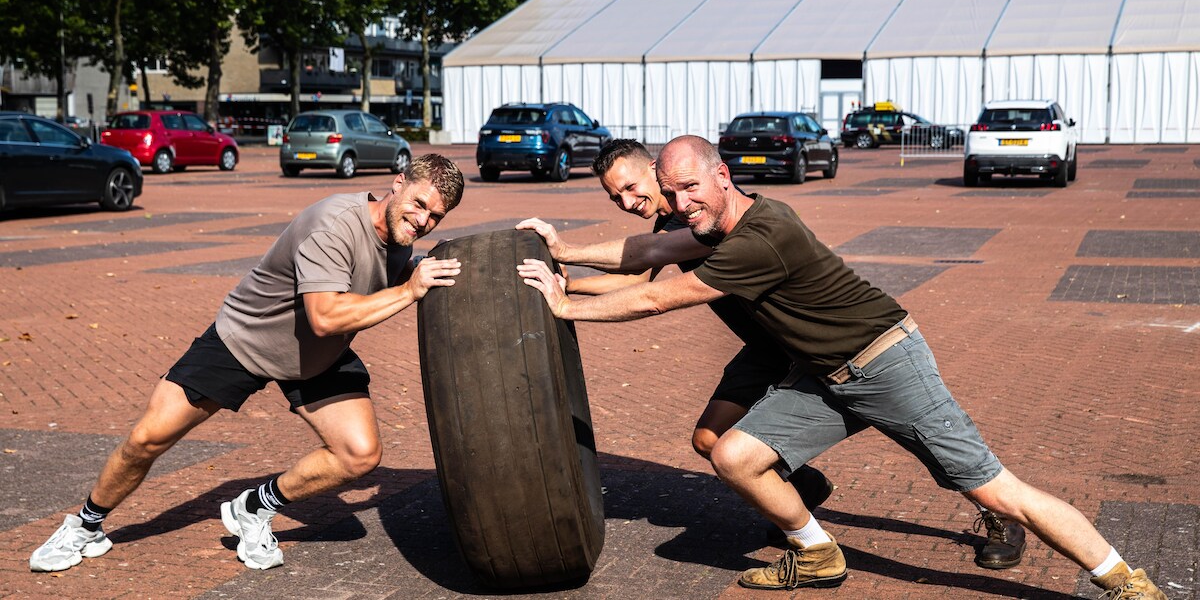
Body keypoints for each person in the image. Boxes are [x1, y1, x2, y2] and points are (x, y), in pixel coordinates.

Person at [516, 136, 1164, 599]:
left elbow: (659, 295)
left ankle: (1124, 581)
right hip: (823, 374)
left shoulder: (760, 236)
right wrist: (563, 254)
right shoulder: (717, 225)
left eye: (690, 188)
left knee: (997, 490)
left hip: (885, 364)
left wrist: (565, 304)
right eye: (671, 191)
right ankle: (818, 553)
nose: (680, 202)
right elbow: (649, 251)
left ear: (722, 177)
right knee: (732, 454)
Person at [30, 154, 466, 573]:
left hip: (315, 357)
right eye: (418, 204)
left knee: (359, 454)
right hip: (244, 341)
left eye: (436, 216)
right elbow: (325, 317)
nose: (422, 220)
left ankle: (253, 508)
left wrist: (422, 272)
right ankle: (85, 525)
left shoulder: (399, 236)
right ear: (398, 184)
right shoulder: (333, 224)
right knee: (147, 439)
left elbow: (374, 281)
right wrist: (409, 290)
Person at [518, 139, 835, 519]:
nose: (626, 202)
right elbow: (635, 278)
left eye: (630, 187)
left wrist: (566, 263)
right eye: (615, 197)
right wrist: (569, 284)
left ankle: (795, 516)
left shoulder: (706, 217)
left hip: (791, 344)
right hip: (761, 350)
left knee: (731, 444)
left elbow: (648, 271)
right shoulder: (667, 225)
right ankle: (804, 487)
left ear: (656, 169)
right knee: (708, 439)